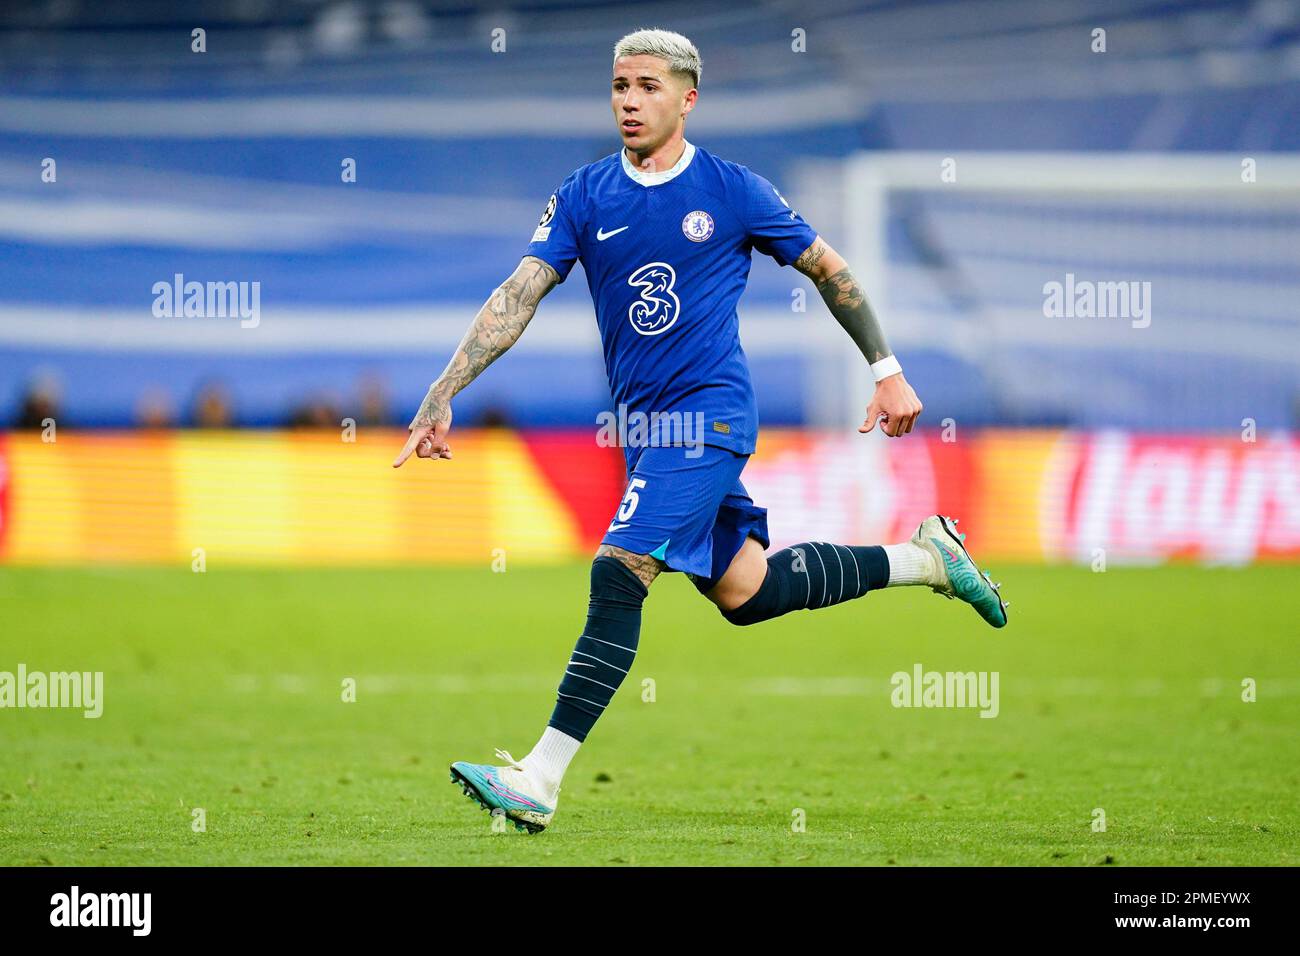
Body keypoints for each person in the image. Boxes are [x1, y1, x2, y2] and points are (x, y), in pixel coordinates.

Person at [393, 29, 1007, 834]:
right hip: (648, 433)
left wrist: (886, 368)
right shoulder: (583, 195)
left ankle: (539, 776)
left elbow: (831, 269)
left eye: (647, 86)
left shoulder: (734, 190)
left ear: (687, 98)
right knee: (746, 591)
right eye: (618, 86)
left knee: (620, 570)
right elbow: (519, 294)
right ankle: (928, 557)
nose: (628, 101)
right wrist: (445, 389)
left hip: (709, 418)